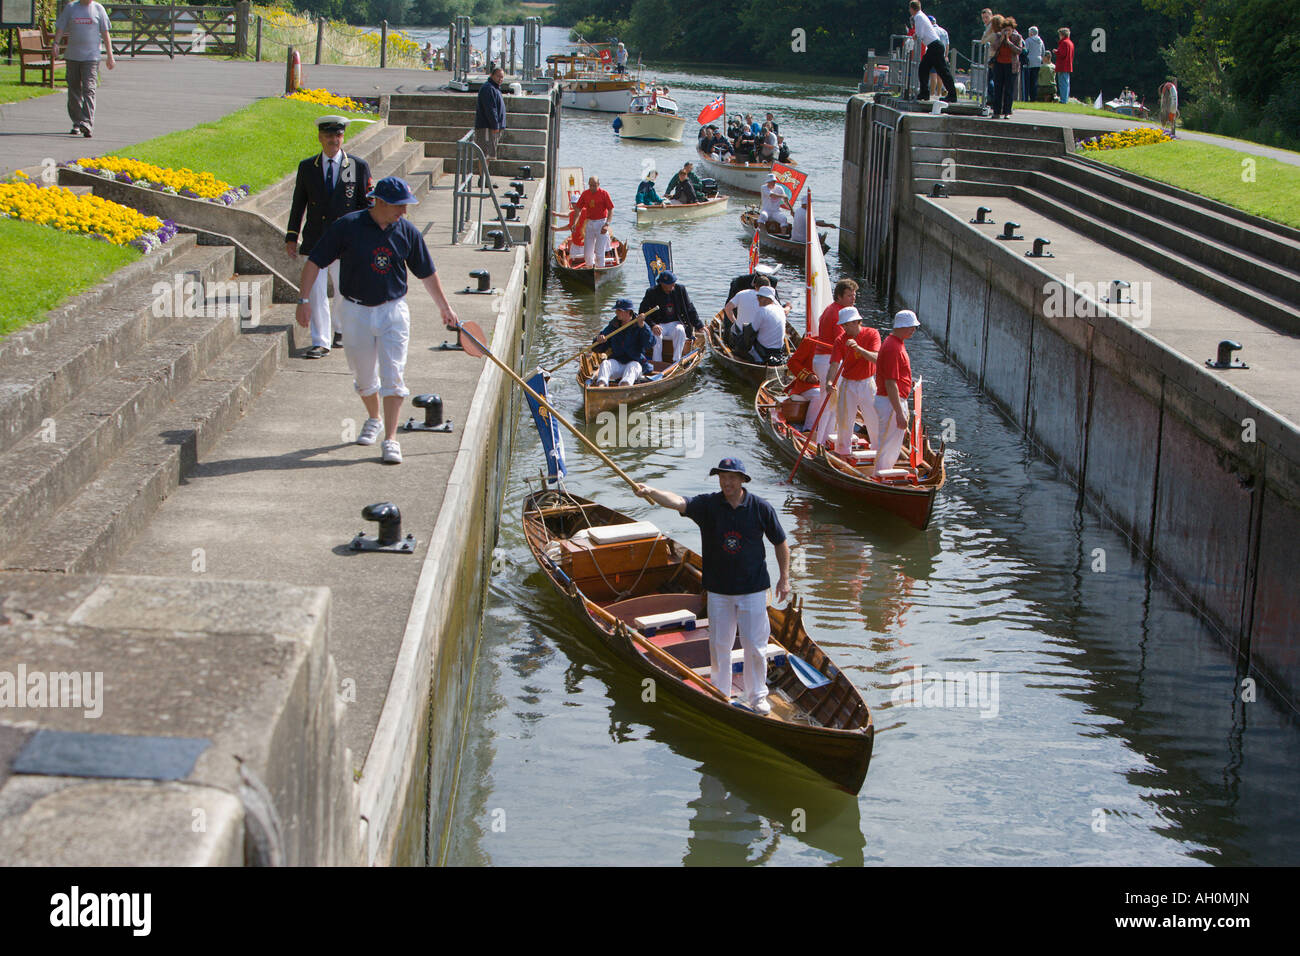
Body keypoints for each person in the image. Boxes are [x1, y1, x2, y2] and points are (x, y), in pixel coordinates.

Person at [297, 177, 458, 465]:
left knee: (393, 375)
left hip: (393, 311)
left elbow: (427, 272)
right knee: (364, 377)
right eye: (399, 206)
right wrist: (304, 300)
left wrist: (445, 308)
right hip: (355, 311)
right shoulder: (348, 226)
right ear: (379, 201)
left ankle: (391, 439)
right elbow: (315, 261)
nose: (404, 212)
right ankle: (374, 418)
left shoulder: (407, 232)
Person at [634, 458, 791, 714]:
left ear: (742, 480)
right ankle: (720, 691)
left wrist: (784, 577)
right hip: (719, 592)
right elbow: (678, 502)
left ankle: (757, 695)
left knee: (754, 645)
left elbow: (780, 542)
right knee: (720, 645)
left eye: (731, 477)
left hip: (753, 590)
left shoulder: (761, 508)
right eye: (722, 477)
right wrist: (651, 492)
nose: (726, 482)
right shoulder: (708, 505)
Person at [285, 115, 375, 359]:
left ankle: (339, 329)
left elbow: (367, 206)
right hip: (316, 240)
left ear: (343, 137)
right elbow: (298, 204)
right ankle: (320, 340)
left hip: (346, 241)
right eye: (328, 135)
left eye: (338, 135)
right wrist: (291, 236)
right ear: (319, 137)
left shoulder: (357, 166)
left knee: (343, 290)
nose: (333, 140)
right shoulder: (307, 167)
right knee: (315, 291)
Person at [806, 278, 858, 443]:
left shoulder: (832, 309)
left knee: (829, 402)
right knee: (830, 404)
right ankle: (823, 441)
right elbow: (841, 341)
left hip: (824, 359)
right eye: (849, 296)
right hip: (829, 361)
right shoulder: (838, 314)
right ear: (839, 297)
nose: (853, 299)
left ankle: (826, 438)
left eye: (854, 295)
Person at [53, 0, 115, 139]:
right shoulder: (71, 8)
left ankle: (87, 123)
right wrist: (55, 43)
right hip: (73, 56)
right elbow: (61, 27)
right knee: (74, 90)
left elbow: (105, 34)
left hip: (91, 57)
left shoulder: (98, 9)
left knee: (89, 89)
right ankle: (77, 122)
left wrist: (110, 56)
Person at [825, 307, 881, 458]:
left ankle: (879, 452)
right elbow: (834, 364)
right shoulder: (840, 340)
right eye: (843, 325)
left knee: (874, 419)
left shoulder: (872, 334)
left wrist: (859, 349)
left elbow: (876, 358)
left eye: (846, 325)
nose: (844, 328)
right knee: (844, 420)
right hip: (848, 384)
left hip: (867, 383)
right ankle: (843, 453)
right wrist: (829, 381)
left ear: (857, 322)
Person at [873, 310, 919, 477]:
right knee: (888, 444)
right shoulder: (893, 347)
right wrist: (899, 412)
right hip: (890, 402)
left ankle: (884, 474)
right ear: (901, 326)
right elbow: (890, 383)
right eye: (910, 327)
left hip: (892, 400)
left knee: (892, 444)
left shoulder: (895, 343)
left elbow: (895, 378)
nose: (913, 330)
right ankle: (881, 477)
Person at [638, 270, 702, 362]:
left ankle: (676, 360)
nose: (673, 285)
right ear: (662, 284)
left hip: (675, 323)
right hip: (659, 324)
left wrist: (699, 325)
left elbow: (690, 309)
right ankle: (657, 362)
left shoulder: (680, 289)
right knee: (656, 335)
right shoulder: (651, 292)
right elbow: (643, 312)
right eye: (670, 284)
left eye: (673, 282)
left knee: (680, 329)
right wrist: (652, 325)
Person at [591, 299, 656, 386]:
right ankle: (601, 387)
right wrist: (599, 341)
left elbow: (650, 344)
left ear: (628, 312)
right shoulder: (613, 325)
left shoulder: (640, 324)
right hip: (618, 361)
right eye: (616, 310)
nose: (616, 313)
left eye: (619, 310)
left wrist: (643, 327)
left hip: (635, 362)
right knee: (605, 364)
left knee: (633, 367)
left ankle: (624, 387)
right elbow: (597, 348)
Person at [911, 1, 957, 103]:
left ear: (911, 9)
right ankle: (925, 93)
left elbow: (919, 34)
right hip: (934, 46)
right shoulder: (922, 15)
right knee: (925, 69)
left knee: (942, 71)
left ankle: (952, 95)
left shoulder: (918, 17)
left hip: (934, 46)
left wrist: (914, 36)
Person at [474, 66, 507, 188]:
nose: (500, 79)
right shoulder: (488, 89)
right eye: (498, 76)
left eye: (502, 77)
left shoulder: (494, 88)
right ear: (492, 75)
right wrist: (495, 125)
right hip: (487, 127)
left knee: (488, 155)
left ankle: (485, 178)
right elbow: (490, 109)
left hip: (492, 127)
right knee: (485, 154)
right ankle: (483, 179)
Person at [574, 175, 614, 268]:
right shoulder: (585, 194)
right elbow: (578, 209)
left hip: (601, 223)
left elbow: (611, 210)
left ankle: (600, 270)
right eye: (590, 185)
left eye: (594, 185)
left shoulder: (604, 194)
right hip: (590, 223)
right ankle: (590, 269)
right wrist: (574, 223)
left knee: (599, 252)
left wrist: (607, 225)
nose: (592, 188)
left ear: (598, 184)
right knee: (588, 253)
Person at [991, 16, 1023, 118]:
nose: (1006, 32)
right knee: (998, 88)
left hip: (1011, 66)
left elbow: (1019, 51)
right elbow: (994, 47)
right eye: (1005, 30)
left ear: (1012, 30)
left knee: (1009, 90)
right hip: (999, 64)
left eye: (1009, 30)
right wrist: (1001, 39)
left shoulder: (1017, 37)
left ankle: (1007, 111)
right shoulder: (998, 36)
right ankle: (996, 111)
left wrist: (1009, 42)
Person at [928, 15, 951, 99]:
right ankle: (938, 94)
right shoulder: (944, 31)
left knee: (933, 74)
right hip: (942, 55)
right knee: (940, 75)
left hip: (933, 54)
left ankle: (932, 94)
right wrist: (946, 55)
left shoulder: (931, 30)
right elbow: (947, 45)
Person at [1023, 26, 1044, 102]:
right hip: (1038, 61)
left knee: (1028, 81)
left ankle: (1027, 97)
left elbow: (1025, 51)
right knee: (1034, 80)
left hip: (1030, 61)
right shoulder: (1040, 41)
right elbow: (1043, 51)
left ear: (1031, 33)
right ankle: (1033, 97)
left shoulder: (1028, 40)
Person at [1054, 27, 1074, 104]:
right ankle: (1065, 99)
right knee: (1066, 83)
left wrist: (1056, 52)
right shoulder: (1070, 43)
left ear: (1062, 35)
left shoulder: (1064, 43)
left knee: (1062, 84)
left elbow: (1062, 54)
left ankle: (1063, 100)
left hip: (1062, 65)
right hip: (1068, 65)